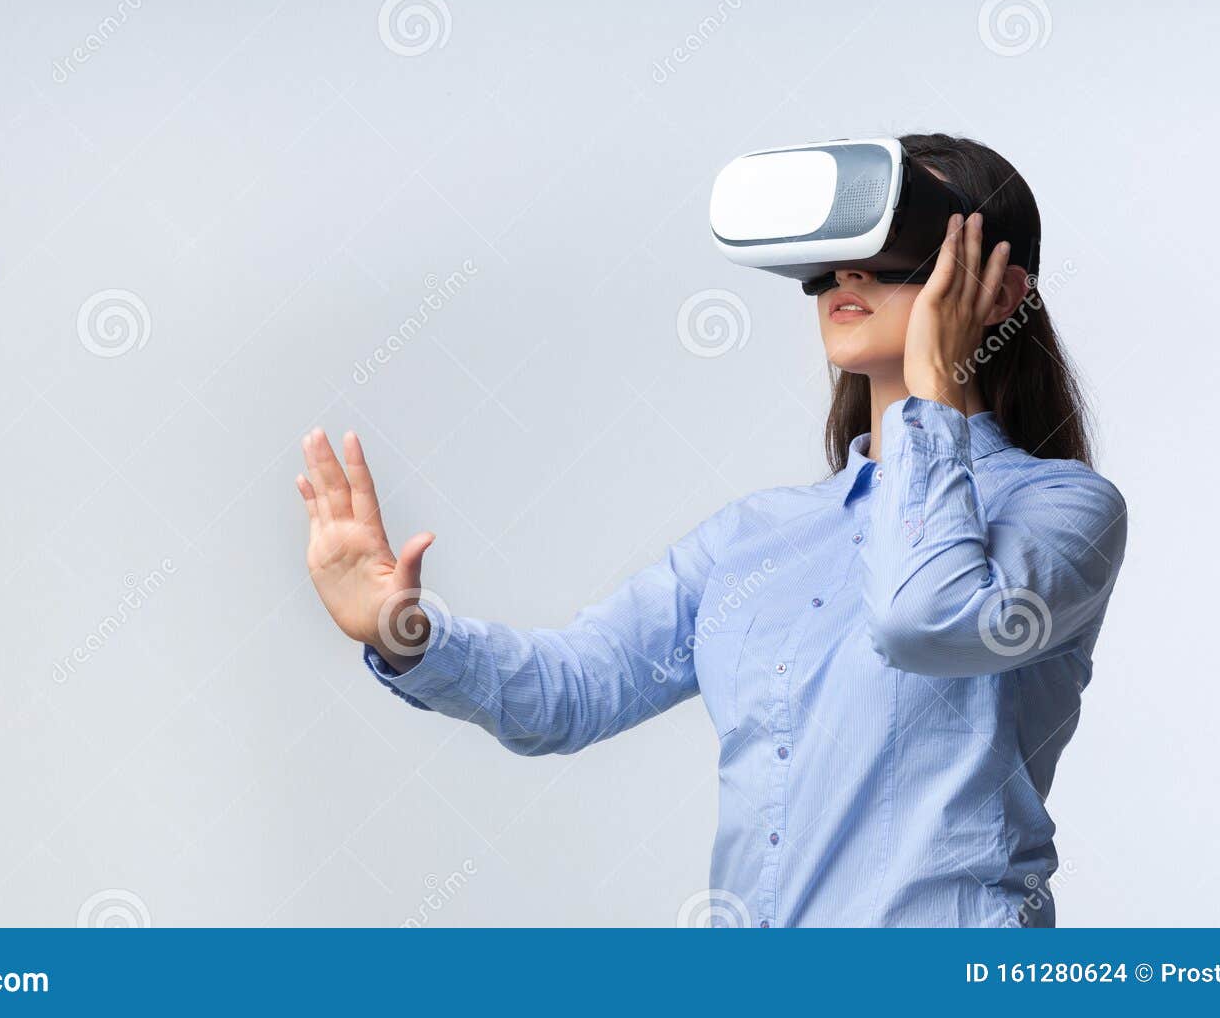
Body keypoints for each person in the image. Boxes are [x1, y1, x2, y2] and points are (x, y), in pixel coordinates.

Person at [295, 133, 1127, 927]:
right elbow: (572, 692)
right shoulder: (753, 537)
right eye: (837, 247)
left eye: (895, 244)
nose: (847, 271)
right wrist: (404, 633)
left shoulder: (1064, 510)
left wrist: (934, 389)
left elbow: (925, 619)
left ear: (1000, 295)